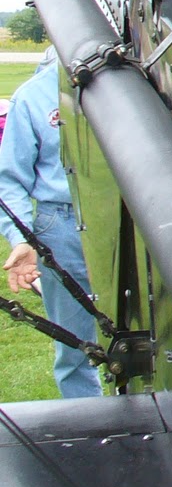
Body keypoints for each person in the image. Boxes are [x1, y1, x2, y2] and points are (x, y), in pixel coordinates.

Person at [0, 49, 99, 398]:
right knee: (76, 348)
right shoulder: (33, 96)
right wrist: (21, 238)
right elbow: (9, 181)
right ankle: (92, 434)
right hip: (61, 223)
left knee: (153, 342)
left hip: (136, 219)